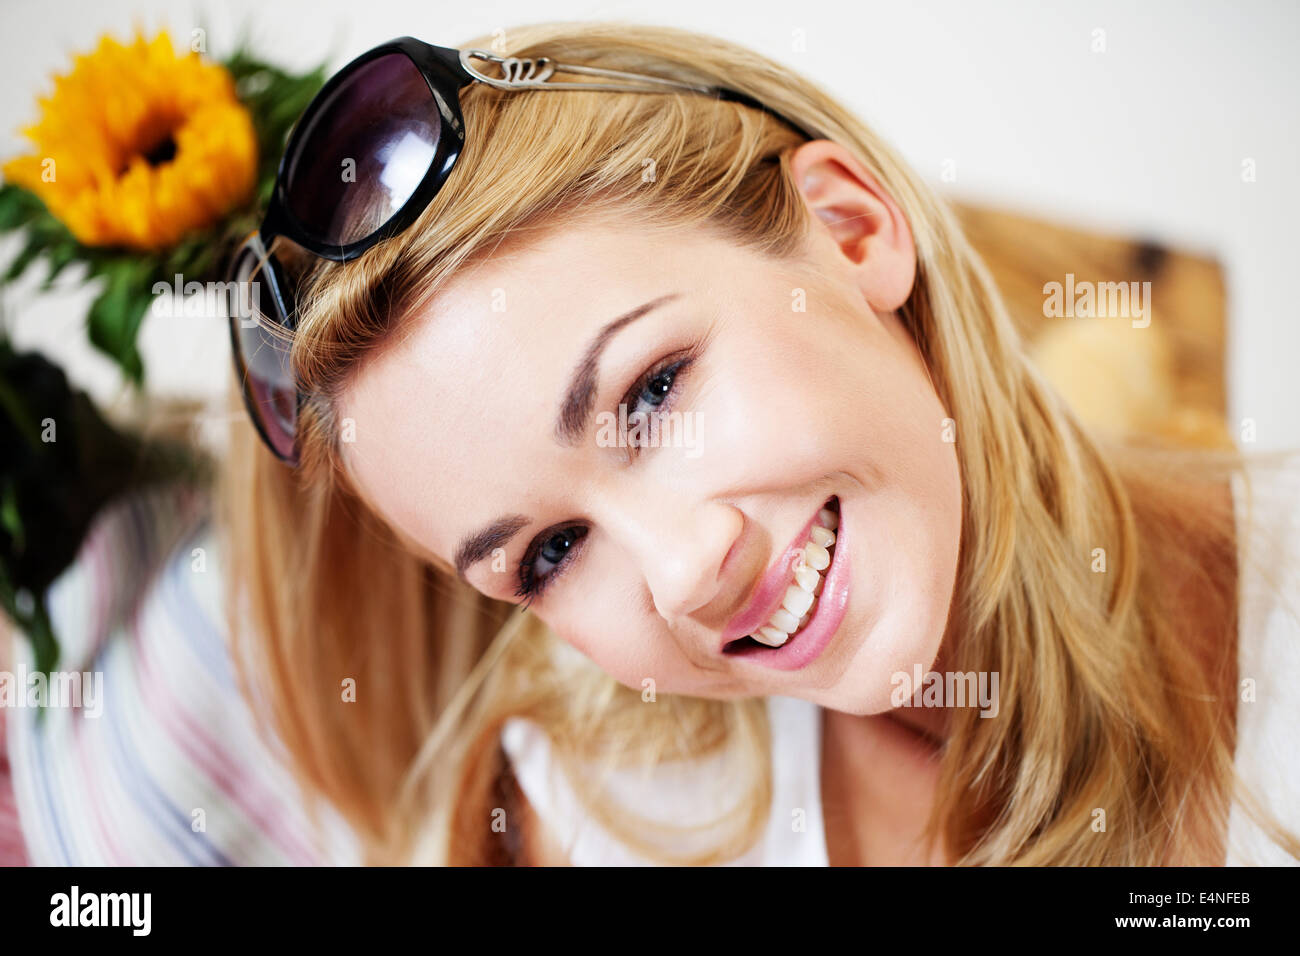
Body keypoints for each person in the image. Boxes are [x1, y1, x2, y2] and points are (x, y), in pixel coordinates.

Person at [219, 20, 1300, 865]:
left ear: (850, 230)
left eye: (650, 394)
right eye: (548, 552)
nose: (685, 572)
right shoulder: (610, 817)